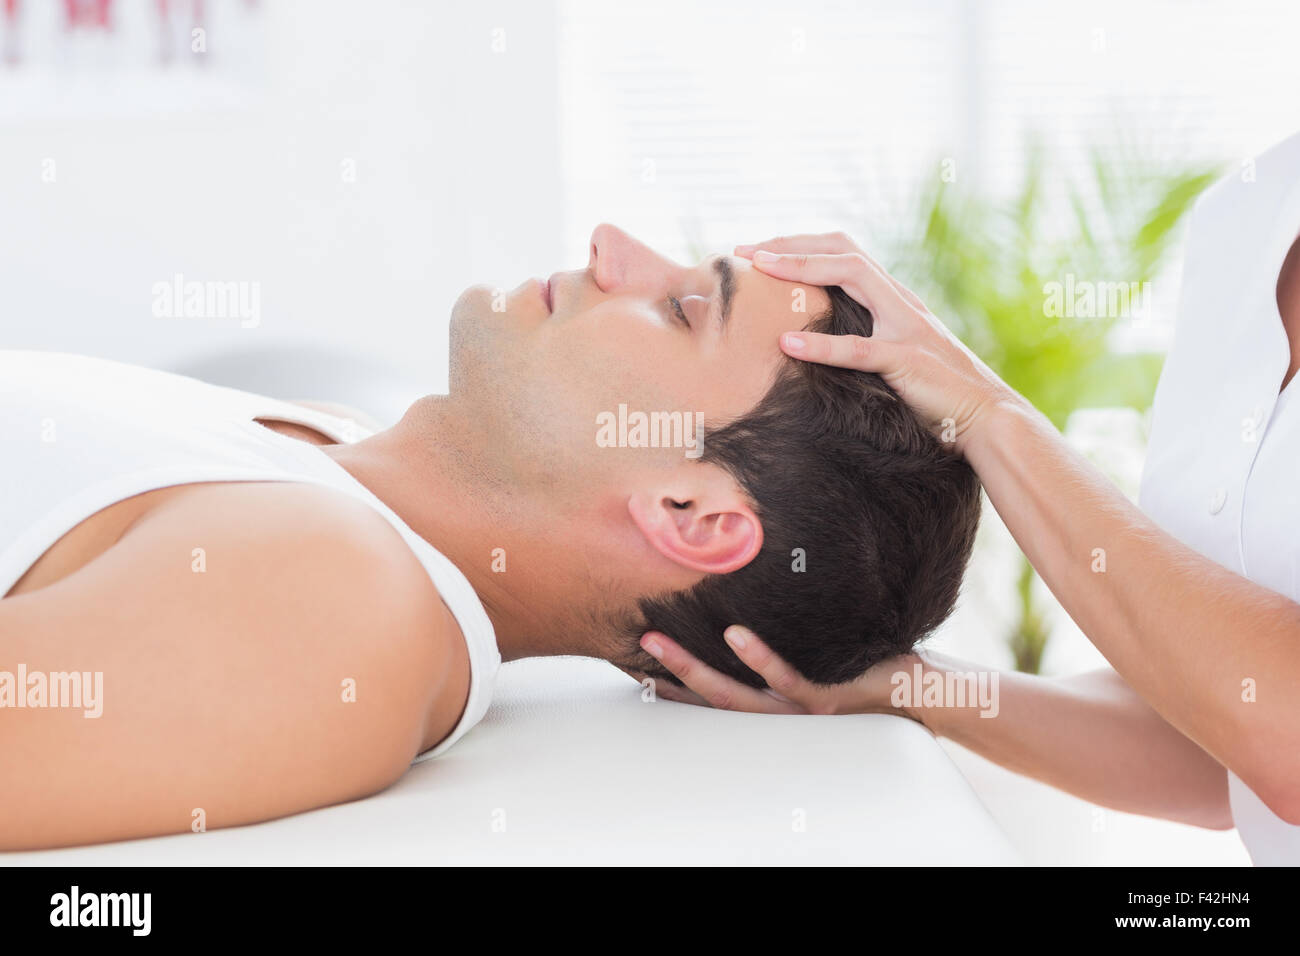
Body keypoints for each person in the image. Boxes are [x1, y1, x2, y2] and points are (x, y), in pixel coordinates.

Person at [0, 224, 980, 850]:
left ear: (692, 515)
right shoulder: (334, 444)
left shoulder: (339, 602)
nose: (612, 247)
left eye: (681, 308)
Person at [639, 133, 1300, 866]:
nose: (609, 250)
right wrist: (906, 686)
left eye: (684, 309)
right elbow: (1217, 754)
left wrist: (989, 415)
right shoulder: (1242, 216)